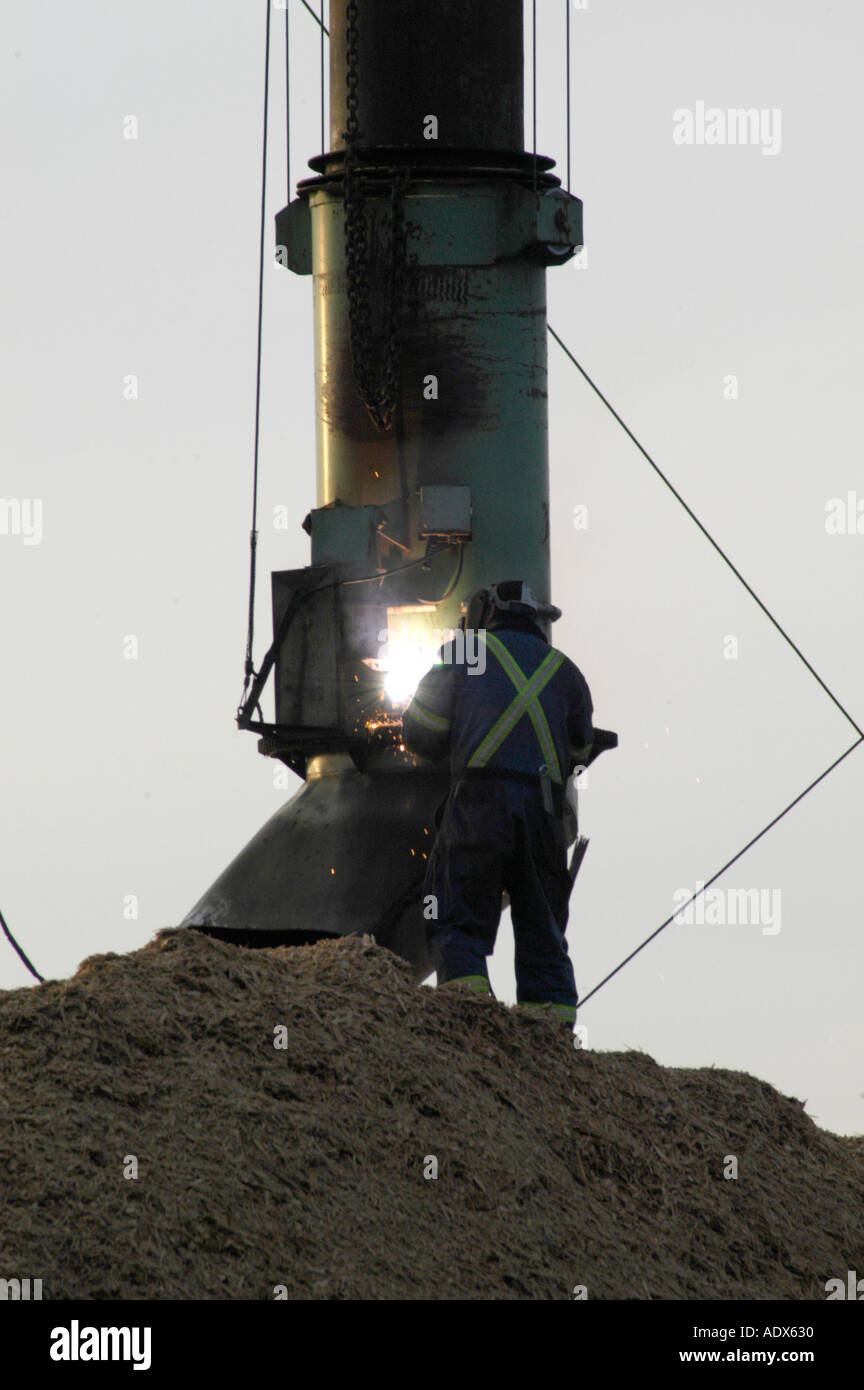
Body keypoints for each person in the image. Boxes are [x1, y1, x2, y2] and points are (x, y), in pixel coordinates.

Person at [402, 579, 597, 1028]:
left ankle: (470, 1021)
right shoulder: (565, 671)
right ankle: (550, 1033)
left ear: (486, 613)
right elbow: (581, 750)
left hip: (478, 806)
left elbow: (420, 732)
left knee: (458, 914)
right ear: (536, 620)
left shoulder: (463, 654)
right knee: (543, 928)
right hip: (544, 815)